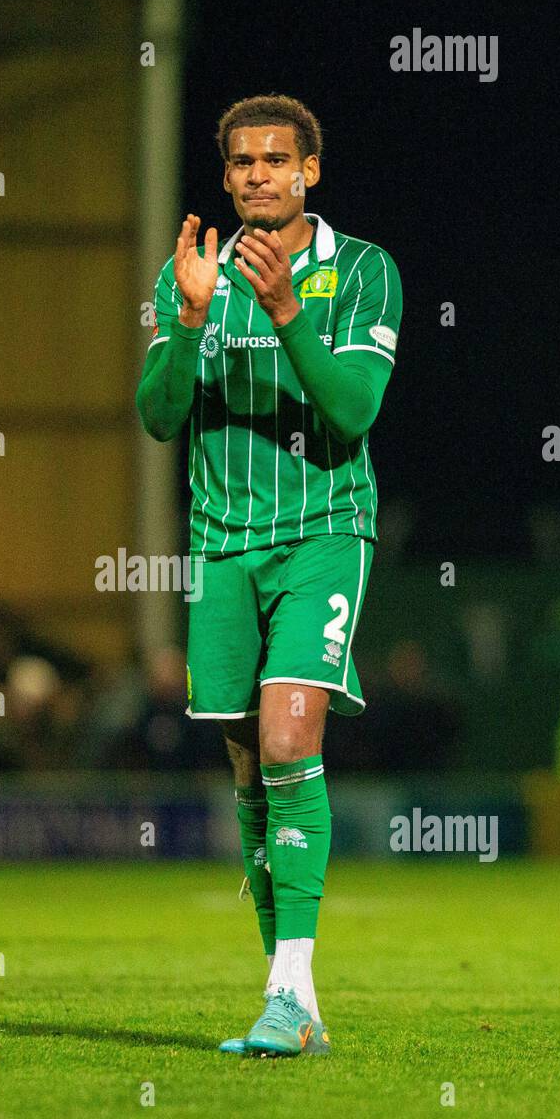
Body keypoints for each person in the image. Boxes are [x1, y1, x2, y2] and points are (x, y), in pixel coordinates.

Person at [135, 94, 402, 1057]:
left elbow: (353, 411)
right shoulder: (190, 278)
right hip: (220, 544)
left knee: (292, 736)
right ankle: (291, 1000)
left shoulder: (365, 272)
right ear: (227, 175)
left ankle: (291, 992)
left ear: (310, 172)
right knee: (249, 768)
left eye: (277, 160)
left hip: (326, 530)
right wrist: (190, 316)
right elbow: (160, 418)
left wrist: (288, 312)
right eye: (242, 162)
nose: (258, 175)